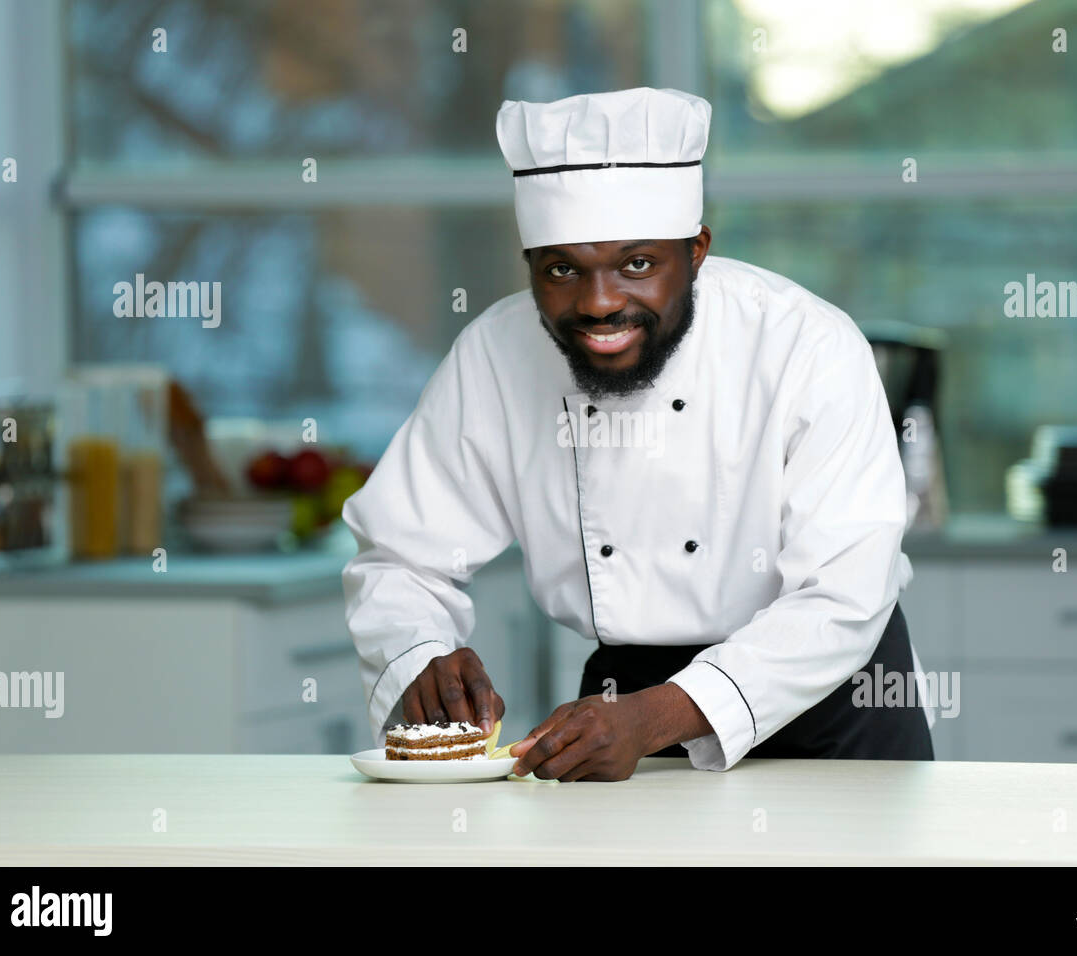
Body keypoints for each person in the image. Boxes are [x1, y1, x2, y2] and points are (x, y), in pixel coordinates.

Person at [342, 87, 934, 781]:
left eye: (638, 265)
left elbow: (842, 597)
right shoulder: (494, 356)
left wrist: (656, 717)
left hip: (831, 715)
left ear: (697, 251)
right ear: (529, 265)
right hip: (618, 713)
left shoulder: (806, 346)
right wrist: (420, 656)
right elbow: (401, 556)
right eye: (562, 269)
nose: (599, 303)